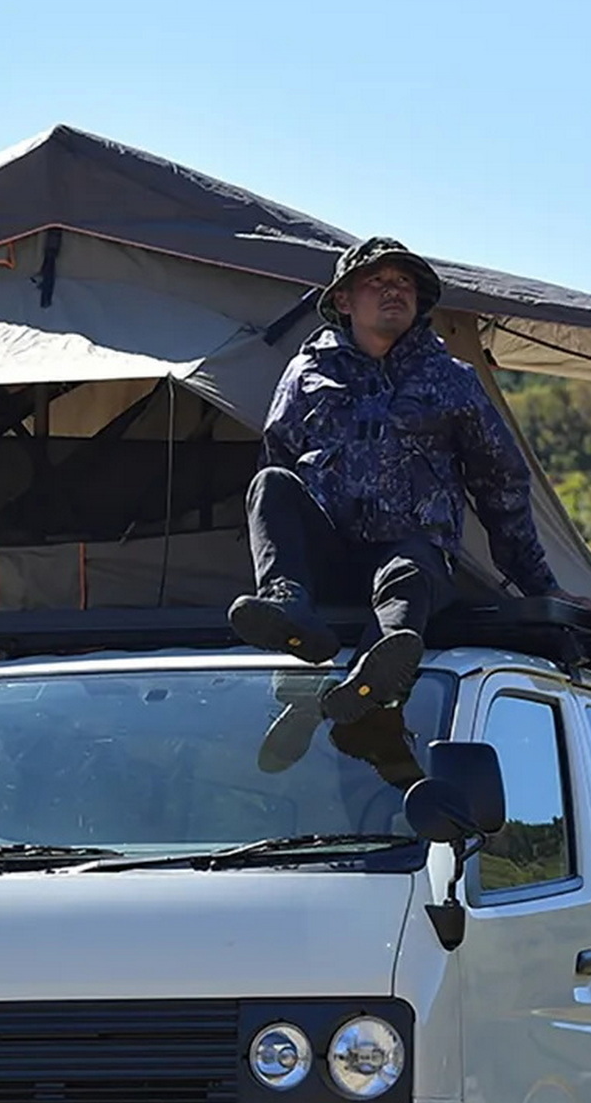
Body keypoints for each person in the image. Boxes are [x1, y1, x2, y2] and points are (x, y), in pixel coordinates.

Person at [232, 237, 568, 751]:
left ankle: (375, 673)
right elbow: (277, 460)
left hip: (415, 561)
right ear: (344, 301)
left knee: (405, 571)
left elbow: (500, 483)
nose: (394, 292)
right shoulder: (306, 375)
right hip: (330, 560)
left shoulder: (451, 380)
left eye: (404, 283)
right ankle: (290, 612)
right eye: (377, 282)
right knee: (269, 486)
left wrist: (538, 585)